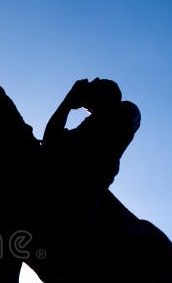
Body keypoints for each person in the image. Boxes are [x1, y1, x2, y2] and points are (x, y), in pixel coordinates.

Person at [40, 78, 140, 248]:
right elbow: (50, 139)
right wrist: (68, 101)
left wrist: (83, 96)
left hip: (85, 188)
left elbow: (59, 142)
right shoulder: (90, 125)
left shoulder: (125, 111)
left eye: (95, 88)